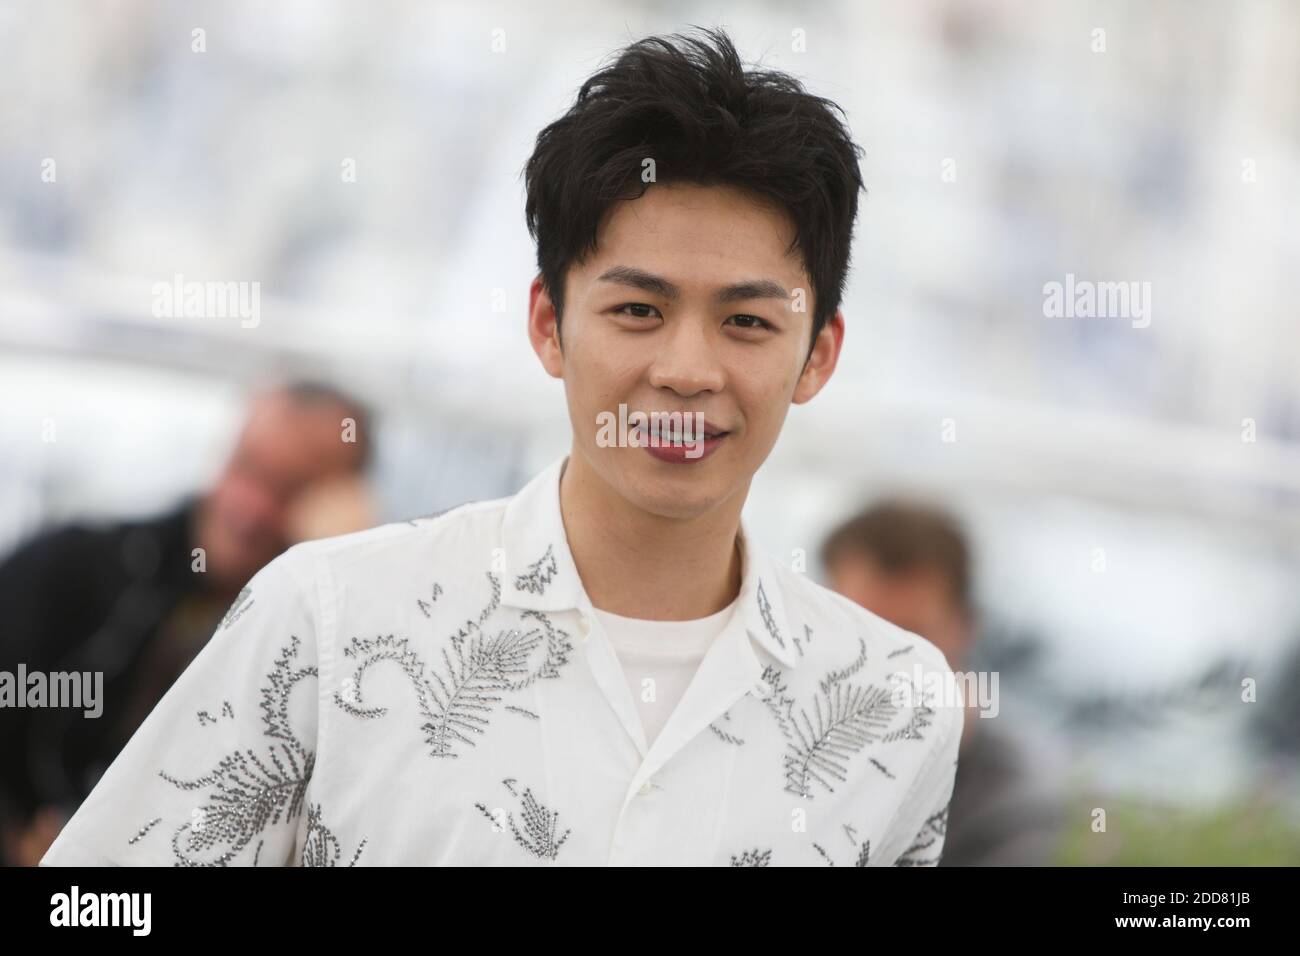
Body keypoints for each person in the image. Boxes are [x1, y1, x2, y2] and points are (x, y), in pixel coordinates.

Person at [40, 27, 962, 867]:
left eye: (748, 321)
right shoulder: (328, 618)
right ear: (548, 326)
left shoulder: (895, 702)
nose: (687, 369)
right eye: (638, 310)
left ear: (819, 354)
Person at [1, 379, 375, 865]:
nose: (250, 508)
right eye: (248, 468)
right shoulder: (73, 565)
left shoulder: (336, 640)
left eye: (292, 489)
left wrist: (348, 571)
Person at [822, 501, 1065, 865]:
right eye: (858, 628)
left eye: (910, 637)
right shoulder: (779, 739)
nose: (880, 661)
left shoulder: (1013, 792)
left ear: (966, 627)